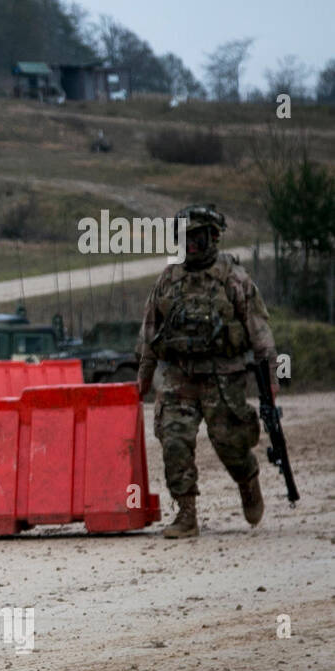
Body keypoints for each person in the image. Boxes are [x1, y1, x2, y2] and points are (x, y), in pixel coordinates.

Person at [135, 204, 278, 538]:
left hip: (223, 377)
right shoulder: (168, 280)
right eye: (184, 240)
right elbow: (149, 332)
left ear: (212, 237)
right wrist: (143, 376)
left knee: (230, 443)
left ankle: (247, 480)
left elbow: (261, 334)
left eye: (196, 238)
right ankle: (186, 515)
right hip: (178, 377)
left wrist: (273, 379)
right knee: (173, 439)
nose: (191, 246)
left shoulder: (234, 278)